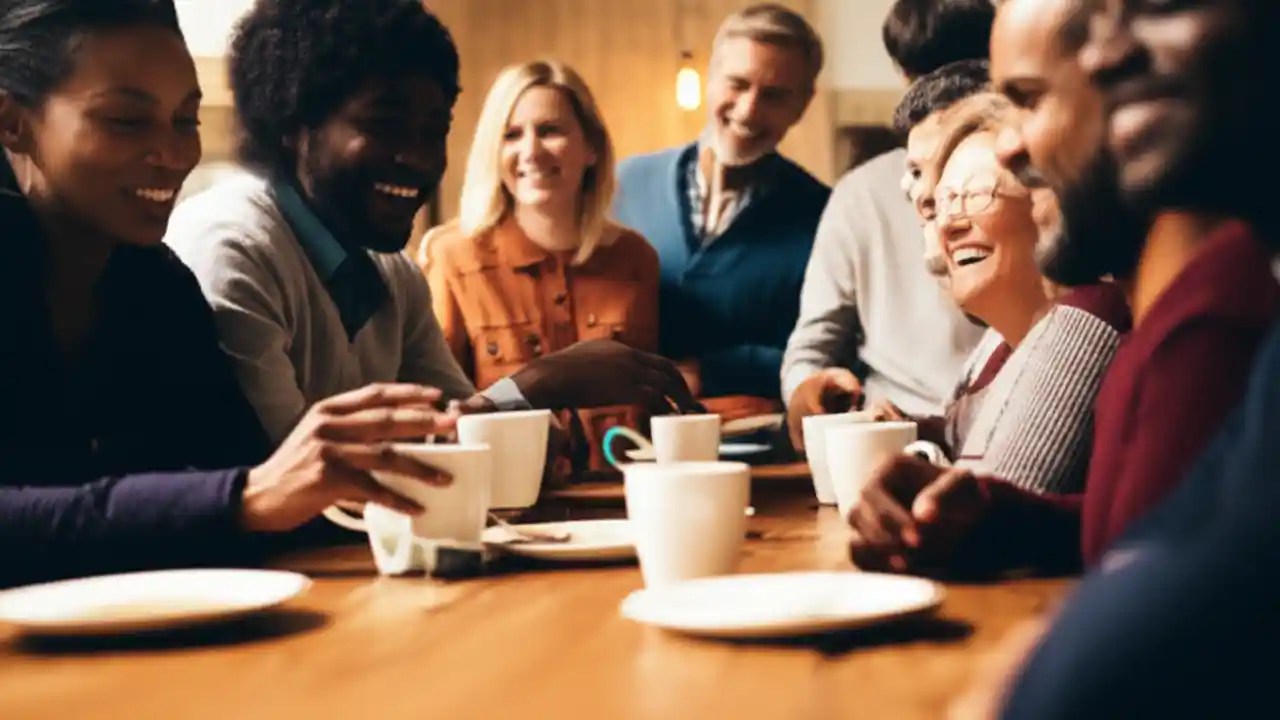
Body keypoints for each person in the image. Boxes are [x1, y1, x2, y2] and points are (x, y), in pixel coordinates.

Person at [0, 0, 464, 589]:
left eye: (186, 121)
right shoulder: (219, 245)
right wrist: (243, 498)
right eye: (125, 120)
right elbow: (243, 493)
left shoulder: (157, 285)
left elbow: (236, 474)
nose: (174, 155)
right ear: (12, 122)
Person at [844, 0, 1280, 579]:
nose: (1008, 149)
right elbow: (1144, 530)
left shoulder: (1210, 322)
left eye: (1029, 99)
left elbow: (1163, 607)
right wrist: (998, 519)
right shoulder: (1156, 320)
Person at [166, 0, 696, 447]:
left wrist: (526, 404)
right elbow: (292, 471)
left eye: (433, 130)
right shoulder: (233, 247)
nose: (418, 158)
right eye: (385, 126)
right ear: (292, 124)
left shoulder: (393, 274)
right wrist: (538, 383)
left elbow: (456, 432)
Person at [960, 1, 1280, 716]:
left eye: (1162, 4)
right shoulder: (1177, 309)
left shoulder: (1217, 313)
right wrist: (1001, 520)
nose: (1106, 58)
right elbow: (1175, 537)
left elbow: (1205, 596)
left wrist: (1045, 665)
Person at [877, 95, 1128, 500]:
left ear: (1047, 202)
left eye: (977, 194)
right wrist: (902, 428)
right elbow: (972, 439)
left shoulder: (1090, 313)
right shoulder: (1000, 342)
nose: (951, 224)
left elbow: (989, 509)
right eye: (944, 202)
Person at [418, 60, 658, 474]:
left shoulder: (634, 257)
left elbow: (649, 398)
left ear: (591, 148)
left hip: (619, 498)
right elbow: (438, 410)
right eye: (511, 135)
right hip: (506, 503)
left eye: (550, 130)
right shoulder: (451, 257)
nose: (530, 151)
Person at [783, 0, 993, 449]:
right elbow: (812, 346)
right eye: (927, 82)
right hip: (888, 438)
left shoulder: (1030, 187)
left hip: (1000, 431)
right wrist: (808, 390)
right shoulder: (861, 194)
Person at [612, 4, 829, 419]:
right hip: (625, 440)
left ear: (803, 104)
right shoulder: (624, 185)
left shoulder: (825, 215)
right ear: (711, 79)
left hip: (758, 447)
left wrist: (711, 370)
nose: (748, 110)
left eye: (774, 96)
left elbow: (832, 349)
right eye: (738, 84)